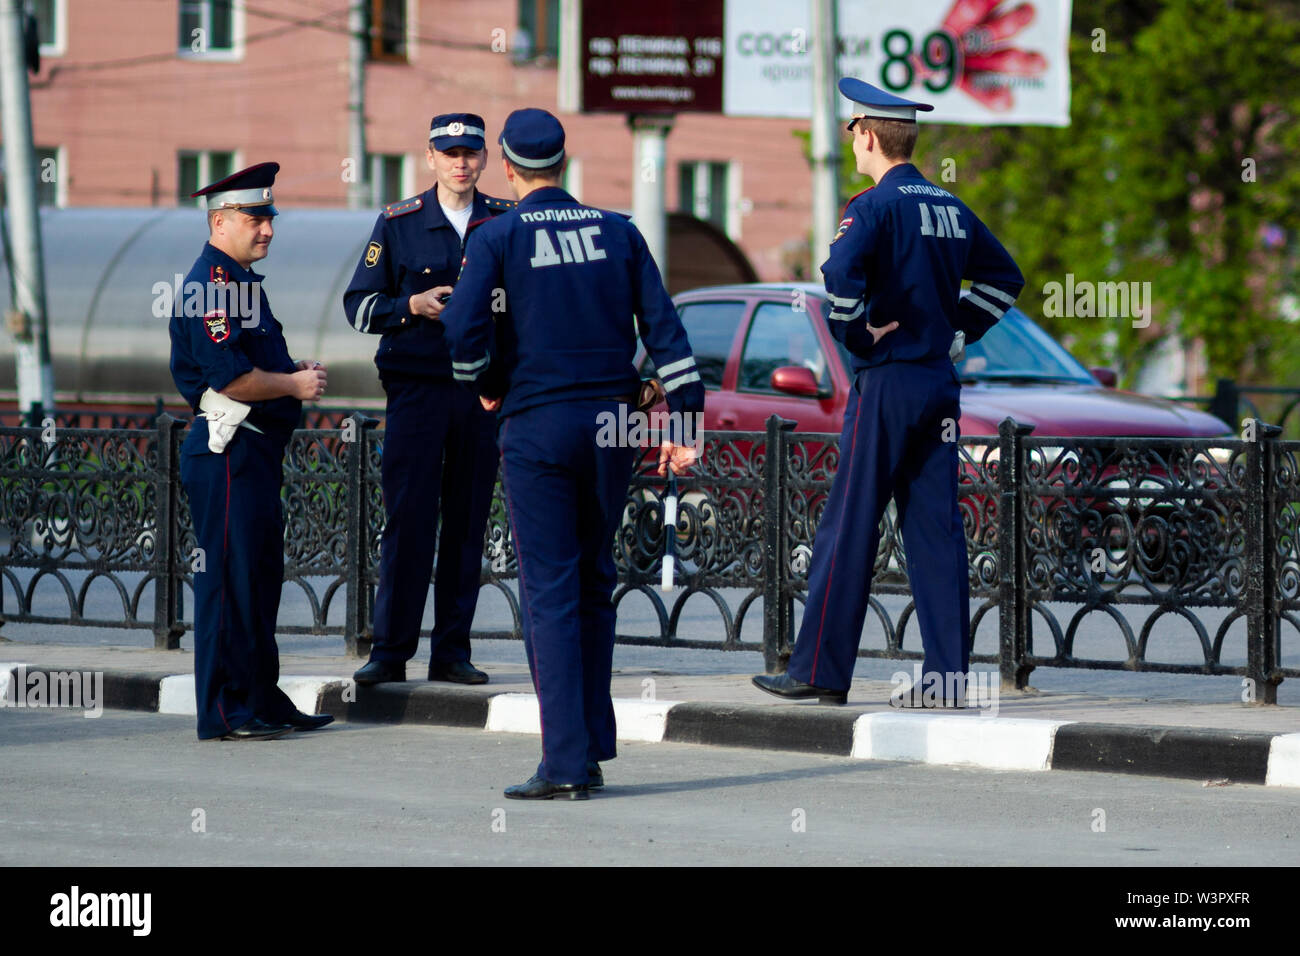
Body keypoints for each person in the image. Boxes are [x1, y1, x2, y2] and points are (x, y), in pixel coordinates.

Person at [441, 108, 705, 799]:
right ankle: (588, 746)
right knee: (593, 581)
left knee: (551, 593)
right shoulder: (618, 231)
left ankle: (563, 764)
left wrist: (489, 387)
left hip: (537, 430)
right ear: (564, 162)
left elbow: (463, 336)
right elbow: (668, 331)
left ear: (507, 166)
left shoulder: (495, 236)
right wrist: (688, 422)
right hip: (613, 430)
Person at [752, 79, 1025, 708]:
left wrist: (858, 336)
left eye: (853, 132)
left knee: (849, 520)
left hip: (889, 381)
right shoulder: (950, 206)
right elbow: (1004, 278)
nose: (852, 144)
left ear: (868, 135)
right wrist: (958, 331)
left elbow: (839, 277)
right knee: (936, 529)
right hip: (938, 385)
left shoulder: (872, 206)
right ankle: (949, 679)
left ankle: (819, 670)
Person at [343, 114, 515, 687]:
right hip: (417, 390)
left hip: (480, 393)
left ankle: (452, 653)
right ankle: (389, 651)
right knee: (409, 521)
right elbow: (359, 306)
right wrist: (410, 306)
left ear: (485, 159)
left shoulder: (505, 222)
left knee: (467, 524)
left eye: (470, 152)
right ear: (431, 158)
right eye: (449, 152)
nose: (460, 162)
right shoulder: (399, 223)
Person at [169, 162, 334, 740]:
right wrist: (291, 385)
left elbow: (253, 365)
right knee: (227, 583)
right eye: (255, 217)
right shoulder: (211, 288)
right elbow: (230, 379)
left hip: (255, 455)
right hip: (230, 452)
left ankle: (262, 697)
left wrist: (291, 370)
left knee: (260, 582)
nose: (267, 228)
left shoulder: (238, 284)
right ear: (220, 220)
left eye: (270, 217)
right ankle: (225, 711)